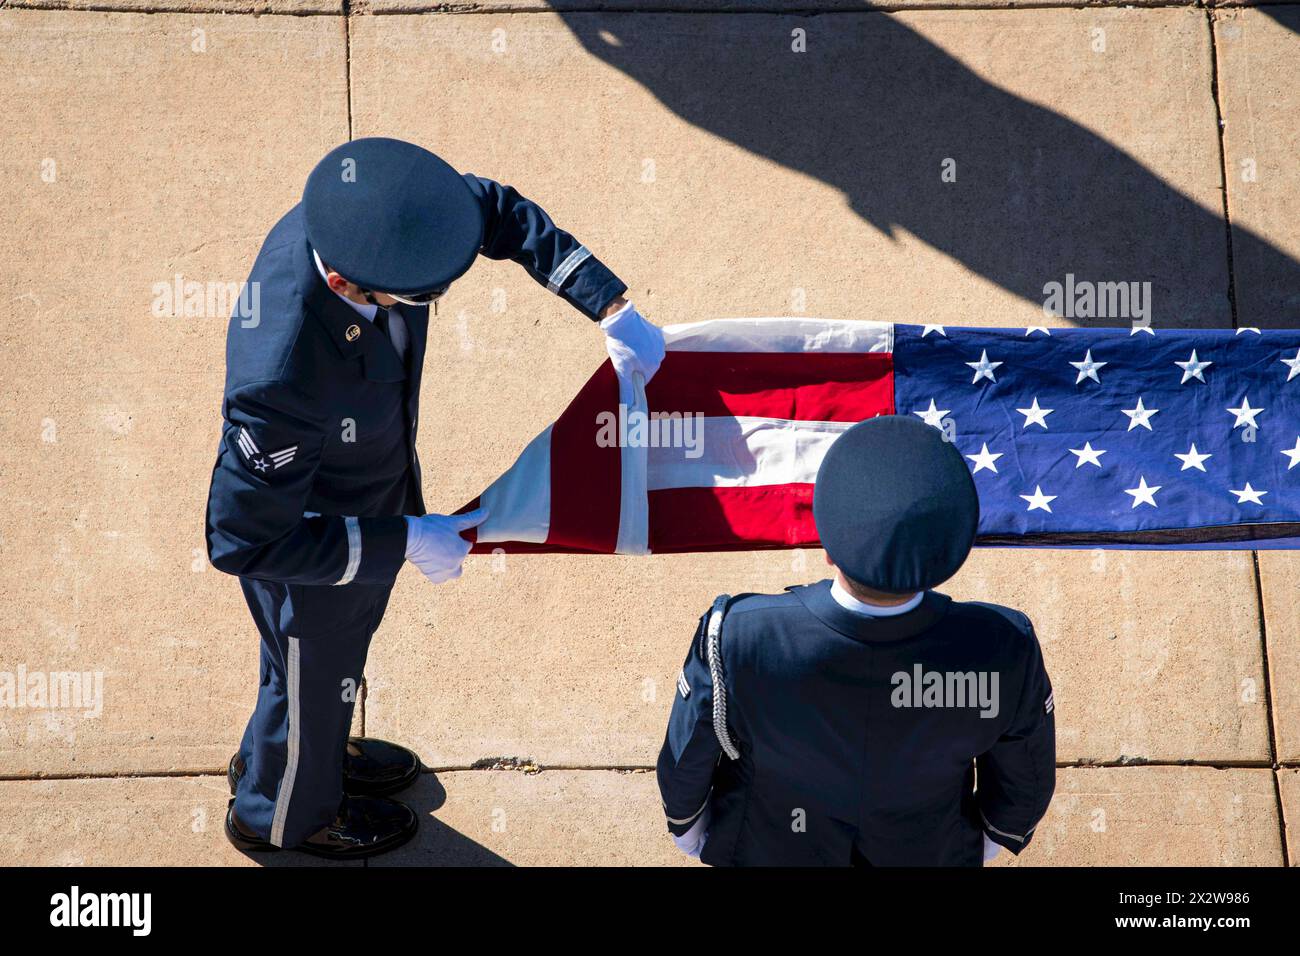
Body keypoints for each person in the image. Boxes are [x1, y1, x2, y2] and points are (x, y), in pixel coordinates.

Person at [207, 137, 664, 858]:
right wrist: (405, 541)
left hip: (369, 495)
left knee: (314, 673)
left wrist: (608, 306)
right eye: (421, 295)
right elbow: (243, 541)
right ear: (345, 288)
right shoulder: (281, 371)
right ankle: (284, 812)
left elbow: (499, 213)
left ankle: (301, 754)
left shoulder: (382, 217)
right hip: (318, 552)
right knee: (314, 665)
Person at [656, 414, 1056, 866]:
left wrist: (694, 834)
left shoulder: (736, 635)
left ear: (828, 547)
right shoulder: (1004, 648)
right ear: (945, 557)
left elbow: (685, 765)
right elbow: (1025, 784)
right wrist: (972, 847)